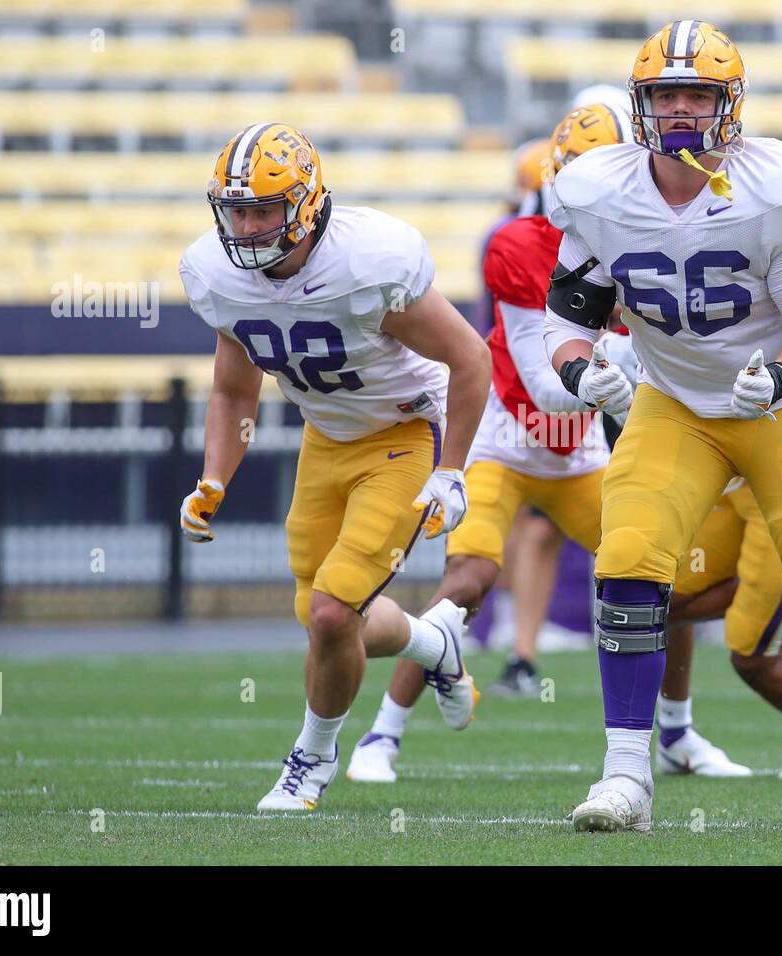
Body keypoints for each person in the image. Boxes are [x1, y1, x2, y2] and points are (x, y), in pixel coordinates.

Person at [546, 20, 782, 832]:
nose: (681, 111)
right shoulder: (597, 190)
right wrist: (585, 371)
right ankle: (626, 777)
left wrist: (781, 373)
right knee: (629, 562)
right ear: (641, 103)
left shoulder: (772, 188)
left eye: (698, 94)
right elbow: (566, 321)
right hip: (675, 403)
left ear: (730, 102)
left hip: (778, 406)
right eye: (665, 95)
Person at [347, 103, 747, 783]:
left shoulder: (649, 235)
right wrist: (617, 368)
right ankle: (380, 736)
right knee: (466, 585)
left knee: (664, 581)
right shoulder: (519, 245)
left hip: (580, 455)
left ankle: (676, 732)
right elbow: (541, 381)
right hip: (508, 439)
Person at [177, 123, 491, 809]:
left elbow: (470, 358)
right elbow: (234, 388)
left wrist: (454, 471)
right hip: (327, 438)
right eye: (238, 211)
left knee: (330, 612)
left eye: (265, 209)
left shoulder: (367, 262)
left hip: (405, 433)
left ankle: (311, 759)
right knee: (325, 620)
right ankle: (433, 643)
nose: (250, 227)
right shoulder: (219, 276)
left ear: (309, 204)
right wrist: (214, 477)